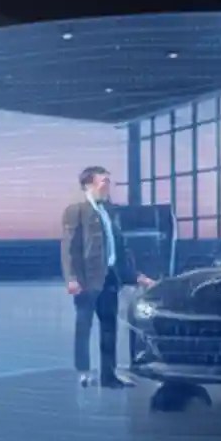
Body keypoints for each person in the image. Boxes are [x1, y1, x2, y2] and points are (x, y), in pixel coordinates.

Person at [61, 166, 155, 388]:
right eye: (103, 182)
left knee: (109, 327)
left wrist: (136, 276)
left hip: (110, 277)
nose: (107, 186)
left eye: (108, 182)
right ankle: (84, 371)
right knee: (84, 326)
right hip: (87, 279)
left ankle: (108, 375)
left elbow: (119, 249)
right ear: (88, 185)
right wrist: (72, 278)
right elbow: (69, 248)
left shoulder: (109, 212)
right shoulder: (76, 210)